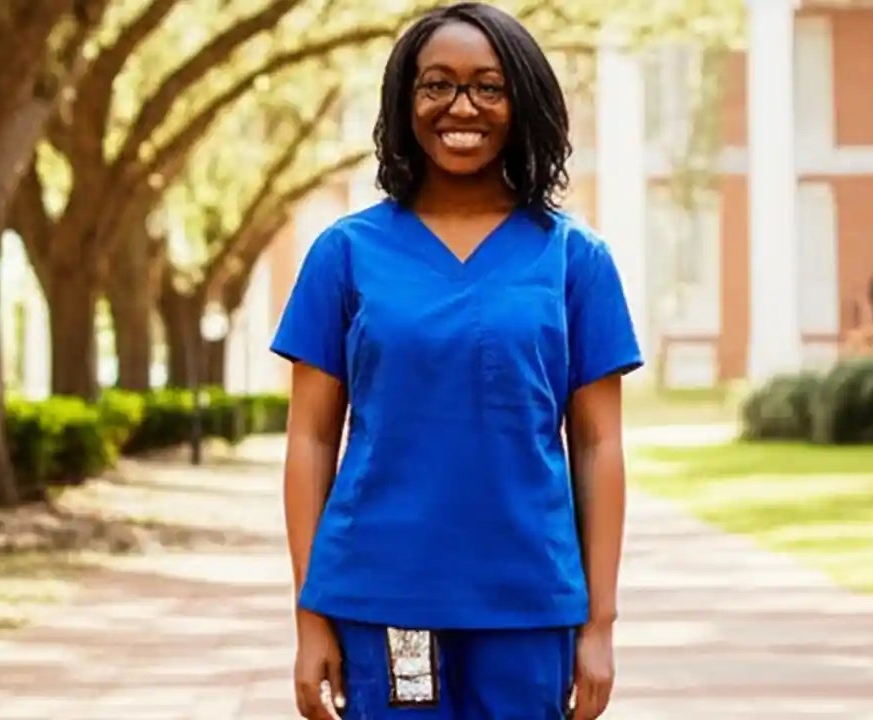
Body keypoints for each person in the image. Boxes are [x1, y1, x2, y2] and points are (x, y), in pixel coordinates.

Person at [270, 3, 642, 718]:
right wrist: (308, 612)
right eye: (436, 84)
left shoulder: (574, 259)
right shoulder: (344, 254)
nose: (461, 106)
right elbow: (311, 437)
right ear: (404, 102)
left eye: (489, 87)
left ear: (522, 101)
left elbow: (598, 445)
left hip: (529, 604)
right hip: (384, 600)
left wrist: (599, 624)